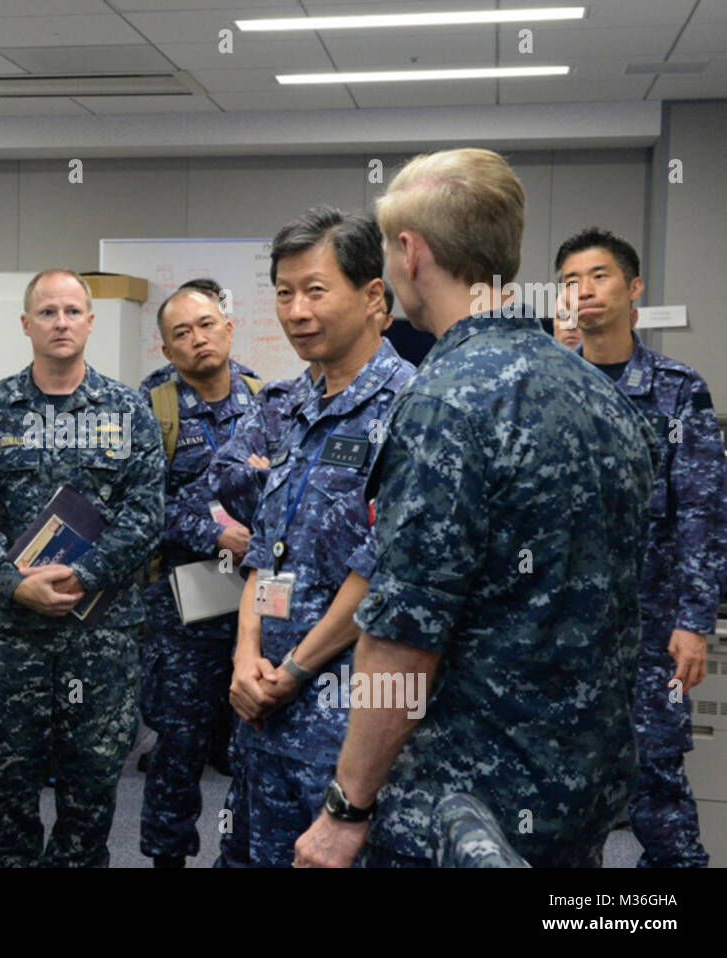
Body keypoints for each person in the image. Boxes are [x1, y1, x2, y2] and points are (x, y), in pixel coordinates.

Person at [294, 148, 655, 868]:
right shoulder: (599, 393)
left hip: (464, 804)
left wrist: (346, 807)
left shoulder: (443, 402)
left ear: (409, 252)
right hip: (578, 786)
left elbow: (403, 639)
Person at [222, 207, 415, 868]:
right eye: (283, 292)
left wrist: (295, 670)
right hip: (263, 707)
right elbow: (262, 551)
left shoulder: (412, 410)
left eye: (315, 289)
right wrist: (245, 655)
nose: (296, 310)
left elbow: (384, 567)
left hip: (348, 722)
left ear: (371, 297)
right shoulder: (288, 407)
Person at [0, 267, 165, 867]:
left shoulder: (128, 412)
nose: (60, 322)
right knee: (5, 788)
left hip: (99, 636)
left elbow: (147, 513)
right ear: (25, 324)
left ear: (91, 322)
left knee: (94, 785)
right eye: (47, 312)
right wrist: (12, 582)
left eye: (73, 311)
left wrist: (87, 575)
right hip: (11, 636)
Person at [556, 227, 720, 868]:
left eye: (597, 276)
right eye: (570, 281)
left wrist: (694, 622)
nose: (583, 292)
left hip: (653, 631)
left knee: (657, 786)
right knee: (567, 796)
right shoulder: (552, 387)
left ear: (634, 289)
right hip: (562, 632)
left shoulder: (678, 388)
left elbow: (703, 512)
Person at [137, 286, 262, 868]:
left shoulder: (270, 401)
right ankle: (167, 857)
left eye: (207, 325)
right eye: (182, 332)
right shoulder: (150, 405)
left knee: (252, 745)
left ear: (229, 328)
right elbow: (138, 506)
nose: (197, 338)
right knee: (180, 746)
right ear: (166, 345)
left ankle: (240, 855)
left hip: (257, 601)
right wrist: (214, 534)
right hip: (184, 604)